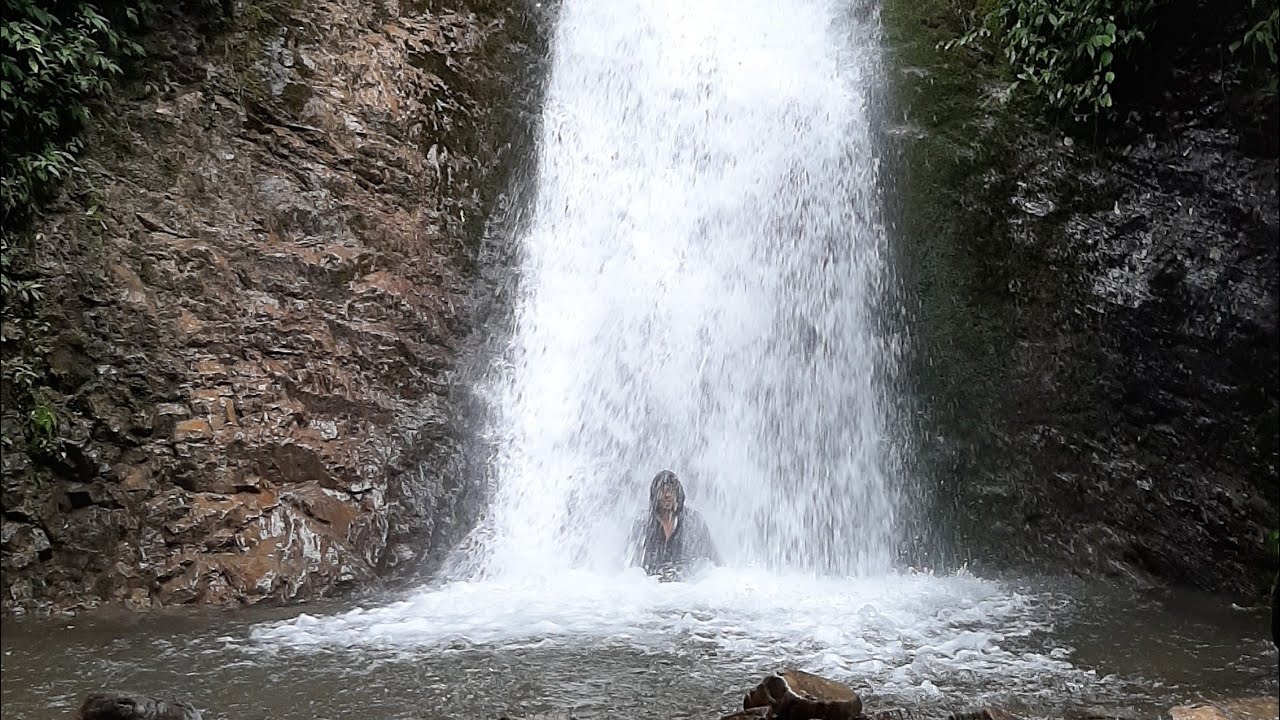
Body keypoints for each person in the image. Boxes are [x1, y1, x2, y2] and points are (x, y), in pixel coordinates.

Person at [626, 470, 720, 579]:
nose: (667, 495)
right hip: (650, 586)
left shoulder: (693, 522)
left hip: (685, 588)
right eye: (663, 490)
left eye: (672, 490)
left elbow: (713, 559)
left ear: (678, 493)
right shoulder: (642, 524)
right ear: (655, 494)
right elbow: (629, 563)